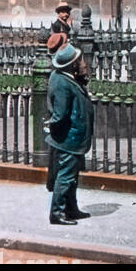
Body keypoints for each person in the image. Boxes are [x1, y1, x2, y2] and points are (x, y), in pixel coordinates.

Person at [44, 43, 95, 225]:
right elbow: (60, 113)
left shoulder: (67, 77)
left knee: (71, 177)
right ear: (72, 65)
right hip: (69, 139)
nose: (83, 62)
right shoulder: (62, 82)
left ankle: (71, 209)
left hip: (74, 138)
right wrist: (54, 128)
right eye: (79, 60)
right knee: (65, 176)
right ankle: (57, 213)